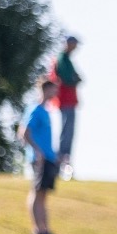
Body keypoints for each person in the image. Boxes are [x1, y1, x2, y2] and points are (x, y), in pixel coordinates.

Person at [19, 80, 61, 234]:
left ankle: (45, 229)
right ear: (46, 89)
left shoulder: (46, 111)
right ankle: (38, 229)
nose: (55, 93)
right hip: (40, 159)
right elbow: (24, 132)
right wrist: (37, 151)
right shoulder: (35, 109)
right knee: (37, 192)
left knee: (43, 194)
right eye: (53, 89)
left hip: (49, 158)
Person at [50, 35, 81, 177]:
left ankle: (63, 161)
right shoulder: (62, 58)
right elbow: (68, 79)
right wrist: (75, 78)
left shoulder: (67, 59)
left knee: (68, 133)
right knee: (66, 133)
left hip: (69, 101)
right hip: (65, 101)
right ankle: (62, 161)